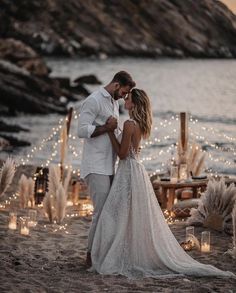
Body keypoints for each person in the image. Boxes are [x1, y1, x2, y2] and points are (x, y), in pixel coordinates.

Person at [89, 88, 235, 279]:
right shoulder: (139, 124)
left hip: (128, 171)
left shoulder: (129, 124)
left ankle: (116, 254)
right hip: (137, 171)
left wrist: (109, 132)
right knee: (129, 215)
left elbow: (123, 154)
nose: (125, 99)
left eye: (128, 98)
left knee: (115, 214)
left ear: (134, 103)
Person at [77, 71, 136, 267]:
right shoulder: (93, 100)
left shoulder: (113, 102)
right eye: (124, 92)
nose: (124, 96)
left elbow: (115, 131)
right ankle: (89, 257)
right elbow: (81, 130)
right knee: (100, 212)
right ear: (117, 84)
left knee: (108, 212)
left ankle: (101, 254)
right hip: (95, 165)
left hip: (109, 165)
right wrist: (105, 128)